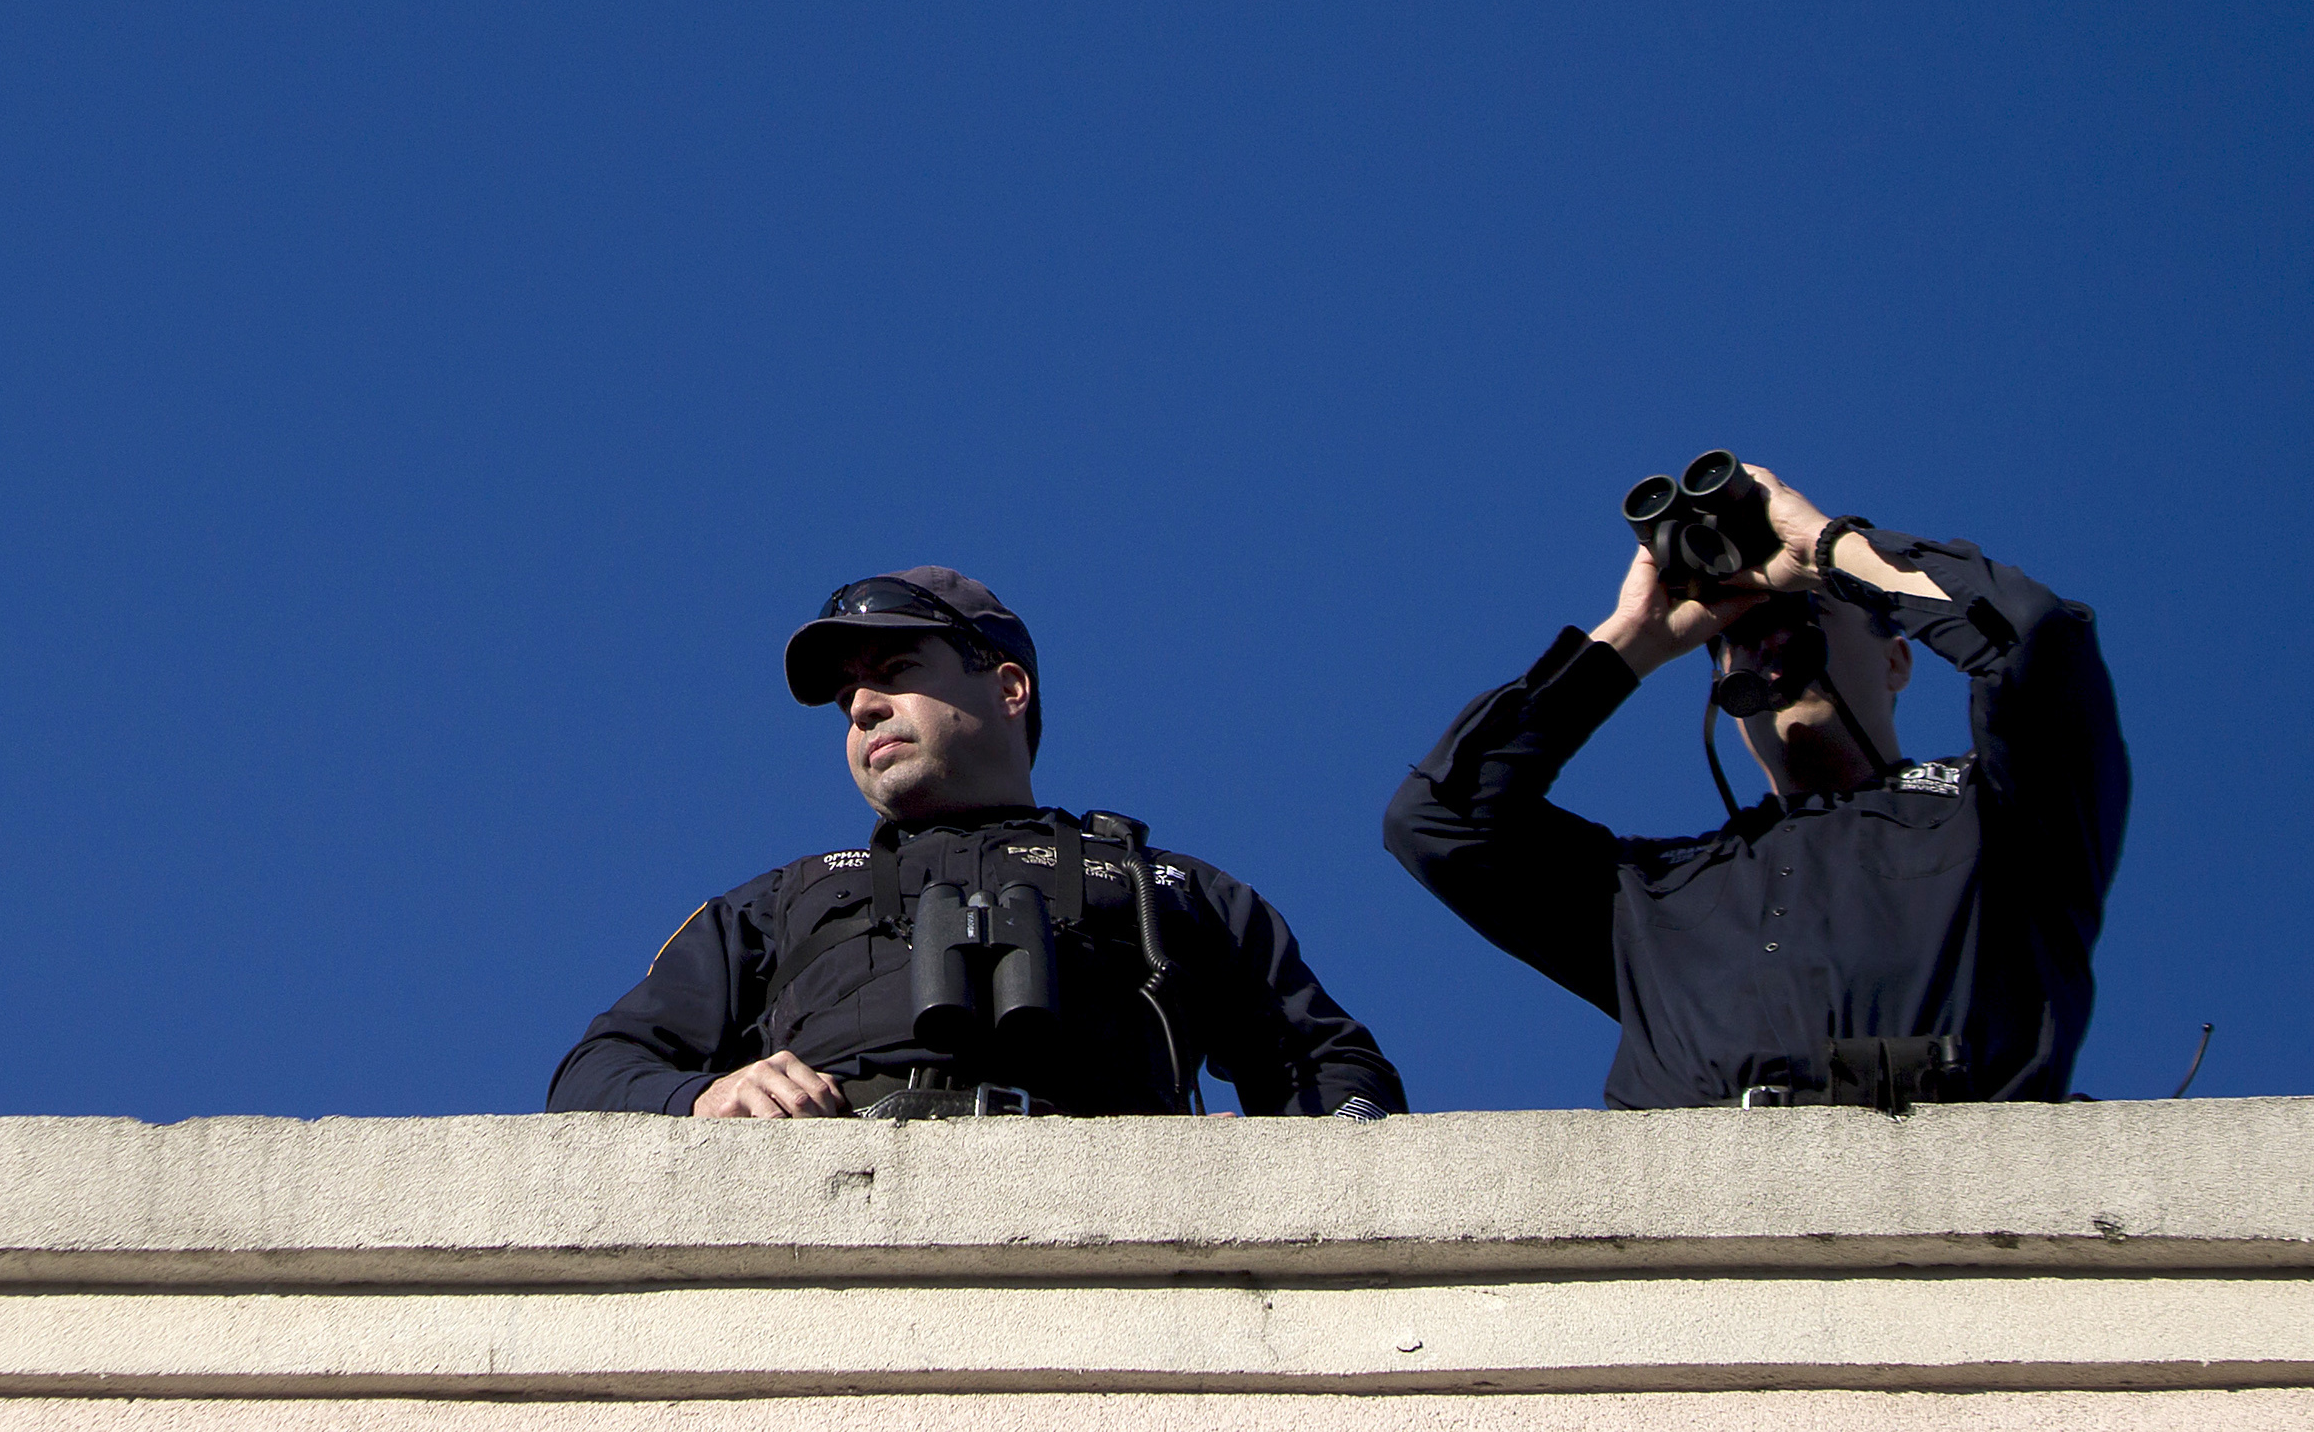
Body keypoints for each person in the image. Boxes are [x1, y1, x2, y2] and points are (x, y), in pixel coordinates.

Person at [1382, 464, 2129, 1110]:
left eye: (1799, 616)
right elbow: (1440, 823)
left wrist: (1833, 549)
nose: (1765, 646)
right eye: (1736, 636)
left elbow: (2034, 642)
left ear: (1898, 661)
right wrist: (1630, 642)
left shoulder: (1994, 813)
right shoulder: (1657, 898)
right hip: (1704, 1245)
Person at [549, 566, 1403, 1120]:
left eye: (894, 673)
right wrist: (706, 1095)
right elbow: (595, 1075)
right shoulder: (774, 902)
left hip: (1113, 1227)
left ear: (1008, 687)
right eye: (848, 693)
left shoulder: (1171, 887)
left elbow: (1329, 1067)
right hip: (843, 1221)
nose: (860, 707)